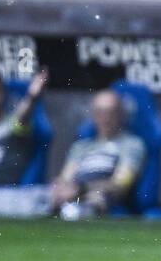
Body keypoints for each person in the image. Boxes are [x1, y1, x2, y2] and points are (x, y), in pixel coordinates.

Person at [51, 89, 147, 219]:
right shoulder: (81, 146)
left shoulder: (132, 144)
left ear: (121, 114)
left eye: (110, 112)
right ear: (94, 116)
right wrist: (61, 188)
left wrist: (81, 190)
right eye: (100, 112)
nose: (105, 118)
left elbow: (120, 184)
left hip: (101, 197)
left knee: (99, 198)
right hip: (70, 196)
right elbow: (66, 178)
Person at [0, 68, 46, 186]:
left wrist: (32, 96)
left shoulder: (12, 124)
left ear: (1, 94)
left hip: (5, 193)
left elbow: (22, 118)